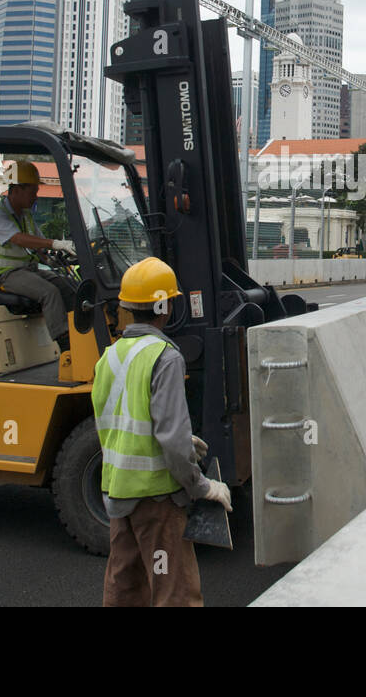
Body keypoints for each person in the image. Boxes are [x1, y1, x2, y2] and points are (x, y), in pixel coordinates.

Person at [93, 256, 233, 607]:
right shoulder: (165, 357)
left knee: (125, 587)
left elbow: (123, 425)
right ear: (164, 306)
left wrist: (181, 441)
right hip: (157, 499)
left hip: (118, 493)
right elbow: (170, 438)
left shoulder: (108, 357)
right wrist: (201, 486)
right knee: (174, 591)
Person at [0, 160, 78, 351]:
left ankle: (80, 334)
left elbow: (38, 245)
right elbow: (19, 239)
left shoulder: (26, 216)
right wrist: (56, 243)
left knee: (68, 286)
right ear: (16, 190)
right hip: (4, 274)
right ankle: (66, 347)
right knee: (49, 293)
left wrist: (54, 258)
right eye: (33, 191)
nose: (36, 197)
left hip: (27, 270)